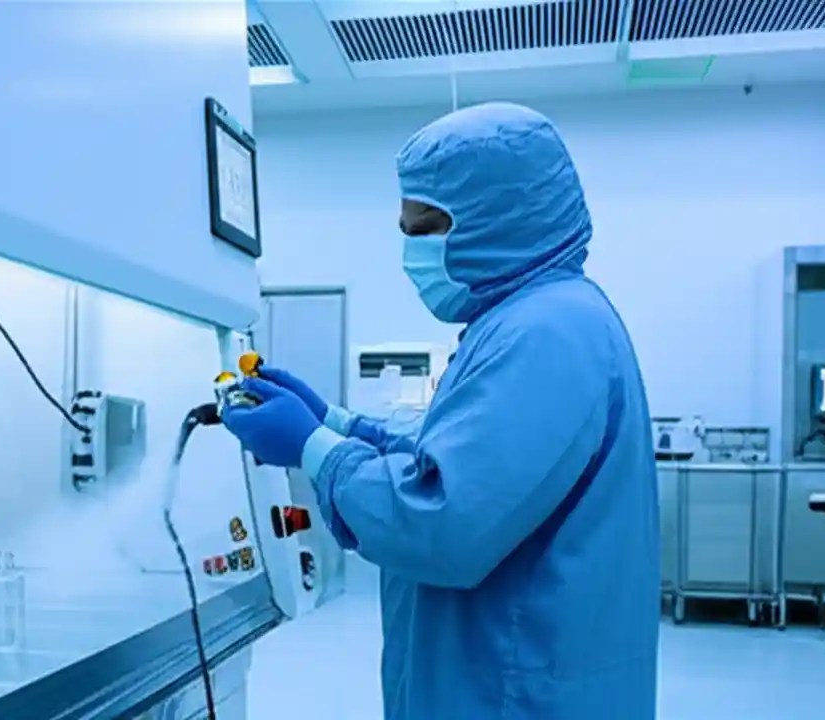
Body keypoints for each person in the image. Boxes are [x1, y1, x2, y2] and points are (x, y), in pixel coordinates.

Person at [222, 103, 659, 719]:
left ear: (502, 217)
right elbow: (462, 453)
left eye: (425, 227)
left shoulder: (548, 332)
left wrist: (313, 450)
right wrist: (339, 423)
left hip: (514, 695)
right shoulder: (526, 318)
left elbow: (444, 519)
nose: (410, 251)